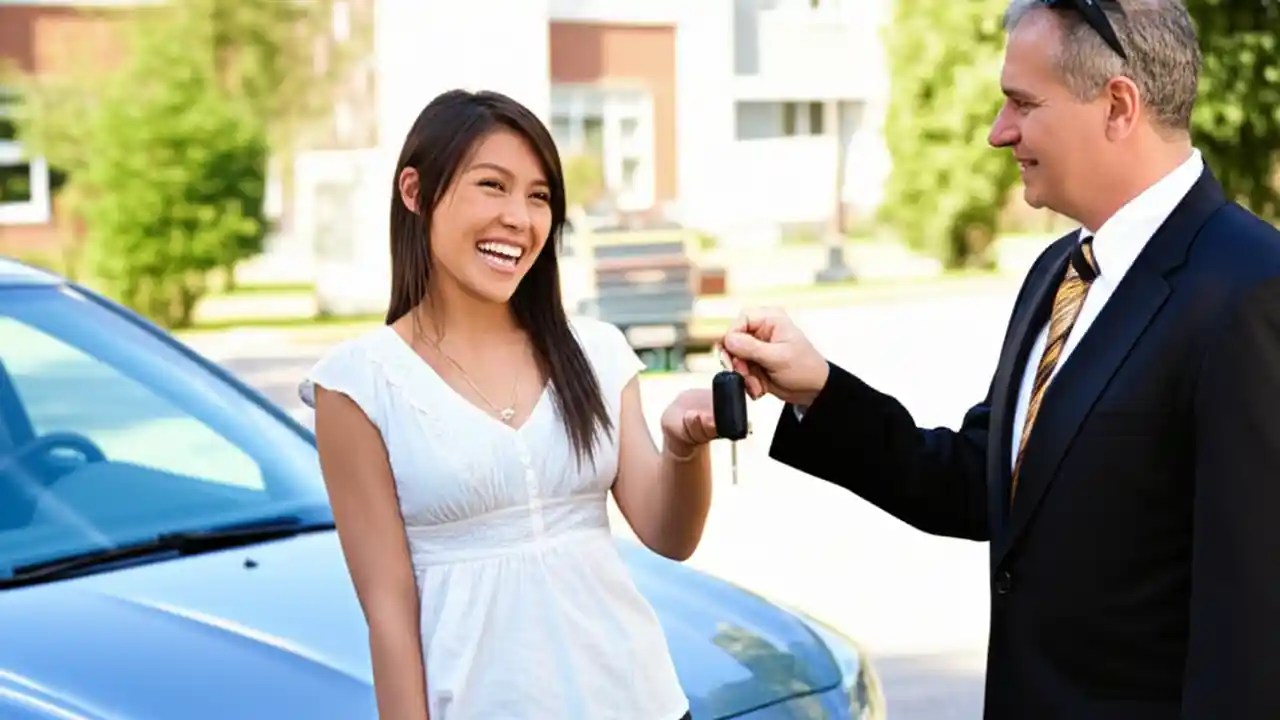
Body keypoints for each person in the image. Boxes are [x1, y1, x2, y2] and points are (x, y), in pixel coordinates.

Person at [721, 1, 1280, 718]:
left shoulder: (1250, 290)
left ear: (1117, 105)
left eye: (1022, 103)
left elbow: (1254, 630)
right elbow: (985, 482)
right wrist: (820, 391)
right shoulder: (1060, 273)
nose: (997, 132)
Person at [298, 89, 715, 720]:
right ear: (415, 192)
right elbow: (389, 616)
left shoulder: (596, 351)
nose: (519, 218)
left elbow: (670, 534)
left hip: (642, 700)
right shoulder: (357, 385)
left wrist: (685, 446)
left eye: (539, 195)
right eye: (492, 186)